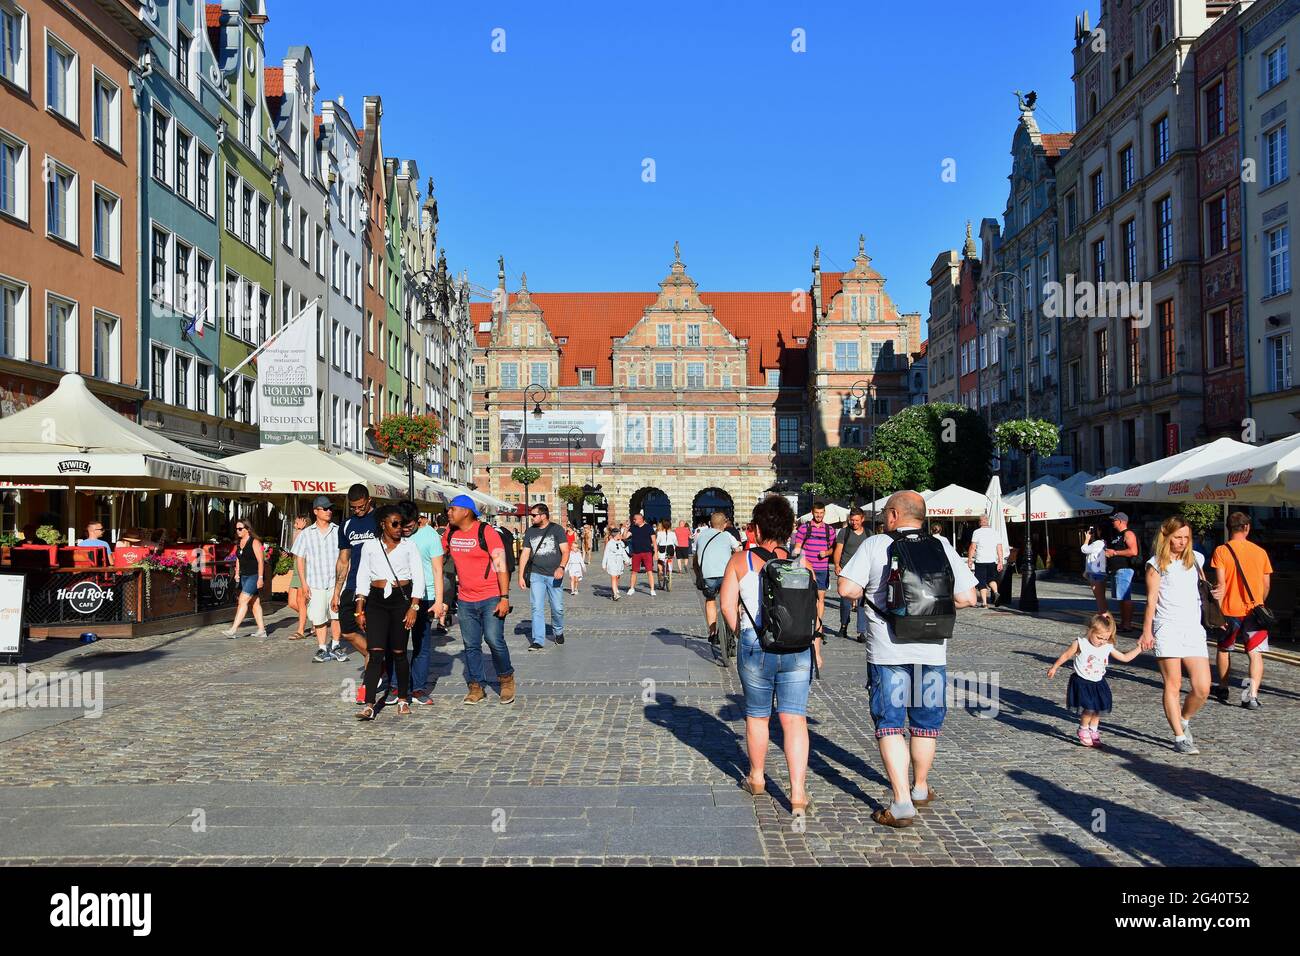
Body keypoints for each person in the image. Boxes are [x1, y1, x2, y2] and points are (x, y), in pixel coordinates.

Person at [837, 491, 978, 829]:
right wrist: (930, 607)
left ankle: (900, 802)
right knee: (926, 722)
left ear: (896, 515)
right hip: (932, 650)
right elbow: (968, 597)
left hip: (889, 652)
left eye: (886, 512)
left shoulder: (875, 545)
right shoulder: (941, 546)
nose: (884, 518)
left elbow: (845, 589)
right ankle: (919, 787)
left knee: (890, 723)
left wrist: (877, 598)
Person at [719, 495, 816, 820]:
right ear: (789, 530)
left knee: (758, 716)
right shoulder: (801, 563)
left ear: (757, 529)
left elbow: (726, 606)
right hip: (797, 648)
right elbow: (814, 610)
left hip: (756, 645)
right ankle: (798, 793)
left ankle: (757, 777)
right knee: (794, 719)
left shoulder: (740, 561)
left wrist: (742, 633)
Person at [1140, 516, 1223, 755]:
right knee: (1173, 683)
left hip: (1193, 628)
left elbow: (1203, 588)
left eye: (1187, 537)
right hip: (1167, 627)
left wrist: (1216, 594)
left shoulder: (1197, 559)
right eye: (1178, 537)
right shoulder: (1155, 564)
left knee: (1202, 687)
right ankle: (1179, 736)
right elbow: (1151, 600)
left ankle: (1184, 719)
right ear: (1166, 537)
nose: (1183, 542)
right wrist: (1147, 631)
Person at [353, 504, 426, 720]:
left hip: (400, 600)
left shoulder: (409, 546)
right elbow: (363, 576)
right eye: (394, 523)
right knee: (375, 653)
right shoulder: (370, 547)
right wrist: (359, 608)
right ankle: (369, 704)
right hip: (375, 601)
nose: (399, 528)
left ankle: (403, 698)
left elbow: (418, 578)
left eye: (401, 524)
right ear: (382, 524)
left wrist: (414, 607)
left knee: (399, 653)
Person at [444, 495, 515, 704]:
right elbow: (437, 555)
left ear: (466, 511)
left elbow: (501, 566)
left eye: (452, 509)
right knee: (471, 644)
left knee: (494, 640)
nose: (448, 513)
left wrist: (504, 597)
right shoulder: (450, 533)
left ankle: (506, 679)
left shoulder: (487, 532)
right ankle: (476, 686)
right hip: (465, 598)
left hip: (491, 596)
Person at [1047, 611, 1143, 747]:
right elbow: (1066, 655)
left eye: (1106, 638)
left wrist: (1140, 649)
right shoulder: (1080, 643)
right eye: (1099, 638)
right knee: (1089, 708)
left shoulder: (1107, 647)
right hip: (1082, 682)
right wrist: (1055, 667)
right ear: (1090, 631)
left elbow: (1125, 657)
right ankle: (1083, 729)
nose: (1102, 641)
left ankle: (1093, 730)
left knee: (1098, 708)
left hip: (1098, 682)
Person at [1211, 512, 1272, 710]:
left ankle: (1223, 687)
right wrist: (1259, 602)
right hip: (1255, 610)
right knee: (1255, 653)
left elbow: (1220, 584)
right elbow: (1266, 584)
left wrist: (1217, 611)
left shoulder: (1221, 551)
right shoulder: (1260, 552)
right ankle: (1250, 696)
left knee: (1224, 649)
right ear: (1247, 527)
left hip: (1230, 609)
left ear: (1228, 528)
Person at [292, 496, 343, 663]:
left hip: (335, 582)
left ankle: (335, 645)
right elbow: (300, 558)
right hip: (315, 582)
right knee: (319, 617)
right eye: (325, 508)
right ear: (316, 512)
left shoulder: (338, 530)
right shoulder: (306, 534)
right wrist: (304, 583)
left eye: (330, 509)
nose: (329, 511)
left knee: (336, 616)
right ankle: (322, 648)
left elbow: (345, 556)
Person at [332, 484, 378, 665]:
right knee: (347, 630)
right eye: (353, 507)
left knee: (374, 632)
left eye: (361, 506)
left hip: (376, 584)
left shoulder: (380, 520)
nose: (357, 510)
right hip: (352, 584)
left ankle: (372, 675)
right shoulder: (346, 525)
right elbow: (343, 560)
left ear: (369, 501)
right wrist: (336, 592)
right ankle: (373, 657)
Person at [406, 501, 446, 706]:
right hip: (402, 596)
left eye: (408, 525)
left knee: (421, 643)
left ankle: (418, 687)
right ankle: (397, 685)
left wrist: (439, 601)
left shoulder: (430, 535)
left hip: (427, 595)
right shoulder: (397, 533)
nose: (404, 529)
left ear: (417, 520)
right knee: (397, 644)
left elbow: (439, 570)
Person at [518, 502, 569, 650]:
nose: (531, 518)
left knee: (557, 608)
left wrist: (561, 567)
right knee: (536, 607)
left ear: (543, 516)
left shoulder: (557, 530)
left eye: (534, 515)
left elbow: (565, 551)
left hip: (555, 574)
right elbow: (525, 554)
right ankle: (538, 640)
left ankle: (558, 631)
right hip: (536, 574)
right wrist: (520, 575)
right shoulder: (530, 532)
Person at [695, 511, 742, 644]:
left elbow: (696, 558)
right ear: (725, 524)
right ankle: (735, 629)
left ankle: (713, 632)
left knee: (710, 600)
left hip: (708, 576)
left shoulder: (701, 535)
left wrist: (699, 573)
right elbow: (739, 550)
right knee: (734, 601)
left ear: (710, 523)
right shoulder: (727, 535)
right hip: (726, 575)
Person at [792, 501, 837, 636]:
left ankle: (818, 626)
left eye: (821, 513)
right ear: (812, 512)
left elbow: (832, 549)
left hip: (822, 569)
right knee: (804, 597)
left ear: (824, 513)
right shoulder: (804, 528)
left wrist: (826, 553)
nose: (819, 516)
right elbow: (798, 547)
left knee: (820, 598)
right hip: (806, 569)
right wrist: (797, 552)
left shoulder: (830, 530)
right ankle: (804, 624)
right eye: (816, 513)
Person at [222, 519, 267, 639]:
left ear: (247, 529)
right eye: (236, 529)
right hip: (244, 576)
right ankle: (262, 630)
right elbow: (238, 559)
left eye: (240, 529)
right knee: (255, 603)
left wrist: (261, 578)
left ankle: (233, 630)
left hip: (254, 575)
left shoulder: (254, 542)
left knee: (242, 600)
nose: (238, 531)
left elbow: (260, 561)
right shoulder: (239, 542)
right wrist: (237, 572)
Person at [832, 507, 870, 643]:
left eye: (857, 520)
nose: (854, 523)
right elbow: (838, 550)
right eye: (852, 520)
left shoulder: (869, 534)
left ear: (862, 519)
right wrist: (837, 565)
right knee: (845, 601)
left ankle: (861, 632)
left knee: (862, 602)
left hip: (863, 572)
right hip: (847, 571)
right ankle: (843, 625)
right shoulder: (844, 532)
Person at [1104, 512, 1141, 633]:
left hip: (1124, 568)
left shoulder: (1128, 533)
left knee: (1125, 598)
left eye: (1114, 520)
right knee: (1121, 598)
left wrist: (1114, 552)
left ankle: (1127, 624)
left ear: (1120, 521)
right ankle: (1124, 622)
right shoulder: (1116, 535)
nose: (1112, 522)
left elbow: (1133, 551)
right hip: (1116, 569)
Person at [966, 514, 1004, 609]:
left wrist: (970, 559)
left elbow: (973, 547)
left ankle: (985, 603)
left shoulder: (977, 532)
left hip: (980, 561)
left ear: (980, 522)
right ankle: (996, 592)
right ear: (987, 521)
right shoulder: (995, 532)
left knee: (981, 581)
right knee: (991, 579)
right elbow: (999, 548)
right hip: (992, 560)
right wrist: (1000, 561)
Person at [285, 514, 310, 639]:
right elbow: (294, 549)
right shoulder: (299, 533)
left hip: (303, 568)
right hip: (295, 568)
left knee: (301, 601)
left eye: (296, 523)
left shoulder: (306, 534)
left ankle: (300, 630)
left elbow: (297, 546)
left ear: (304, 523)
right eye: (294, 524)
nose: (294, 526)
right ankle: (316, 619)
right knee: (291, 602)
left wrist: (300, 530)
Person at [625, 512, 656, 596]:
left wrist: (656, 553)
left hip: (647, 552)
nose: (633, 520)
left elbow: (654, 541)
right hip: (636, 553)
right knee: (634, 571)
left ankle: (652, 590)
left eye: (635, 519)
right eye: (633, 519)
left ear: (640, 519)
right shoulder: (633, 528)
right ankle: (631, 588)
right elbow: (625, 537)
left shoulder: (648, 527)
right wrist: (626, 528)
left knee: (649, 571)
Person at [1080, 526, 1108, 613]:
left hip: (1095, 573)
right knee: (1102, 598)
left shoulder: (1098, 543)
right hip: (1102, 572)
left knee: (1099, 600)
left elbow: (1084, 549)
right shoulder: (1105, 542)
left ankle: (1103, 619)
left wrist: (1087, 538)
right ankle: (1104, 616)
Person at [602, 527, 630, 600]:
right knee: (614, 577)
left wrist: (627, 560)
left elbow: (623, 552)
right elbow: (606, 554)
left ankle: (614, 589)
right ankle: (615, 594)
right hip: (612, 562)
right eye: (619, 534)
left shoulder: (621, 543)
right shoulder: (610, 543)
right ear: (616, 535)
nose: (621, 535)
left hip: (619, 562)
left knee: (617, 577)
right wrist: (604, 564)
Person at [655, 519, 676, 591]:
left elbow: (657, 542)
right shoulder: (673, 533)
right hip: (670, 549)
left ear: (663, 526)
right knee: (669, 559)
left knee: (660, 561)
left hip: (662, 549)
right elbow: (676, 542)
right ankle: (668, 572)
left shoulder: (660, 533)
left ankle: (660, 571)